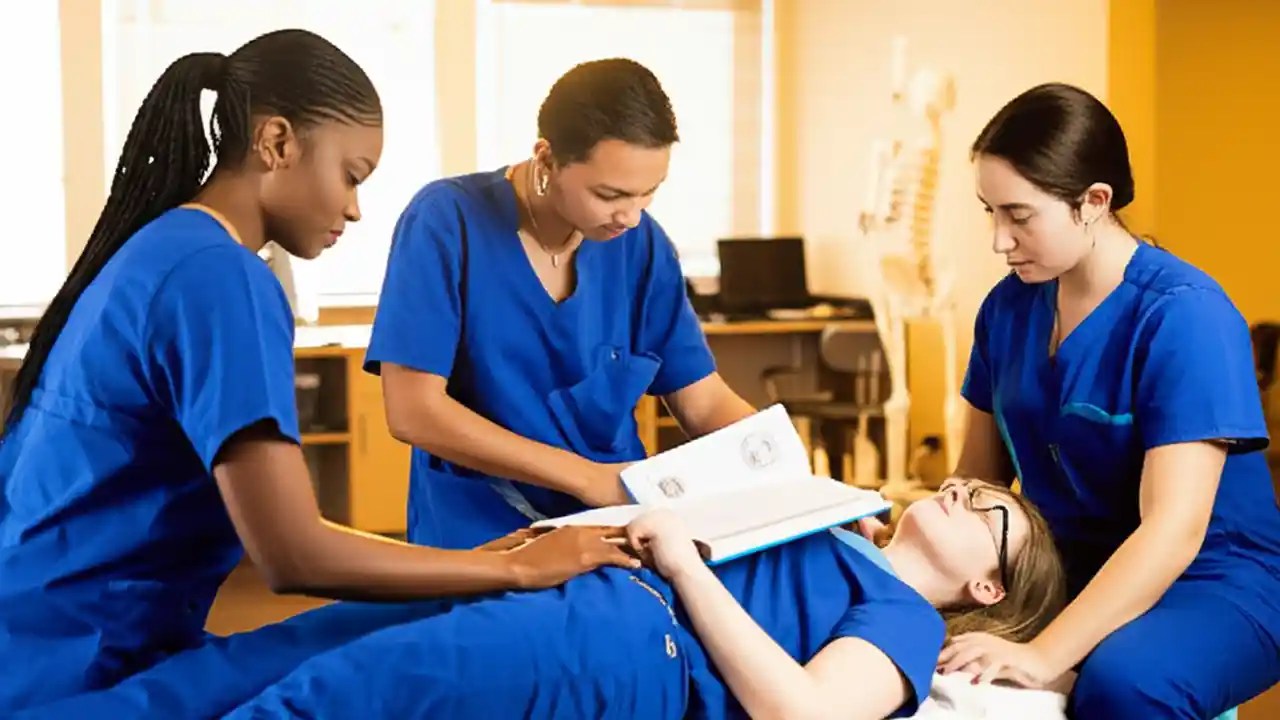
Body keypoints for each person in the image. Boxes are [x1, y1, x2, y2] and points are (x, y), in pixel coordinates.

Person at [0, 30, 636, 713]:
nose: (356, 209)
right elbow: (292, 555)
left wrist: (495, 563)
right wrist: (510, 567)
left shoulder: (164, 247)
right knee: (426, 638)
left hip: (43, 643)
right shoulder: (219, 276)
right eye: (352, 176)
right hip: (72, 678)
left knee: (415, 622)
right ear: (276, 143)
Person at [15, 481, 1067, 719]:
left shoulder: (903, 616)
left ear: (987, 585)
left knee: (336, 695)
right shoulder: (831, 525)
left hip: (630, 643)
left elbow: (797, 710)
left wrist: (685, 562)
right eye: (974, 483)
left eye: (993, 512)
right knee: (258, 655)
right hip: (589, 577)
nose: (966, 488)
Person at [935, 82, 1280, 718]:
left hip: (1211, 576)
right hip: (1064, 566)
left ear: (1093, 202)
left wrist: (1044, 652)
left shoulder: (1185, 316)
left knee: (1124, 682)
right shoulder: (1007, 308)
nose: (999, 241)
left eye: (1020, 214)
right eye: (990, 212)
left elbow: (1173, 531)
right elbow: (978, 478)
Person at [365, 57, 757, 550]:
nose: (631, 217)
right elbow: (413, 411)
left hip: (621, 525)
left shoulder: (642, 246)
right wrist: (589, 479)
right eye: (609, 193)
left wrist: (788, 479)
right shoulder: (447, 222)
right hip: (484, 531)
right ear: (547, 159)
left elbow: (704, 402)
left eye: (648, 194)